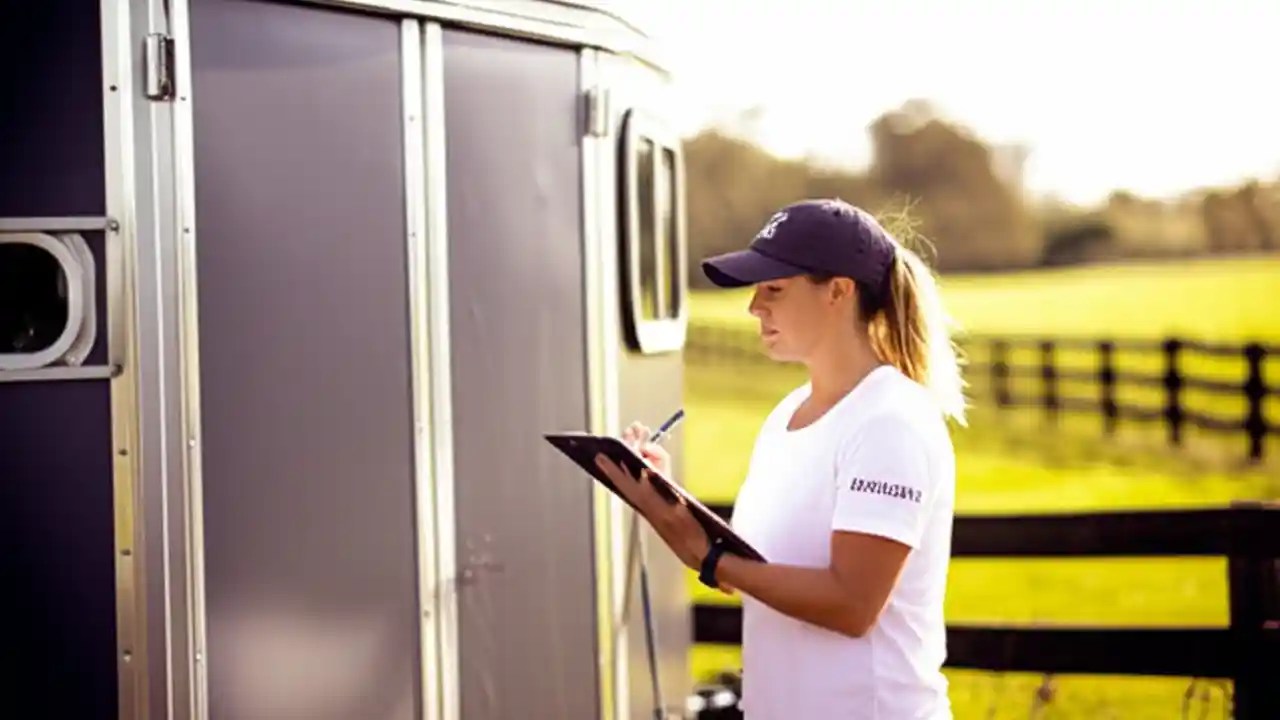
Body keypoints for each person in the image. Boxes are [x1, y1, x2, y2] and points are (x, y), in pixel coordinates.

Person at [594, 198, 967, 719]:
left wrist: (711, 556)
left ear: (838, 291)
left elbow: (851, 604)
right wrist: (666, 504)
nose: (754, 307)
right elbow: (753, 570)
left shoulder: (891, 420)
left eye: (774, 289)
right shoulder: (788, 415)